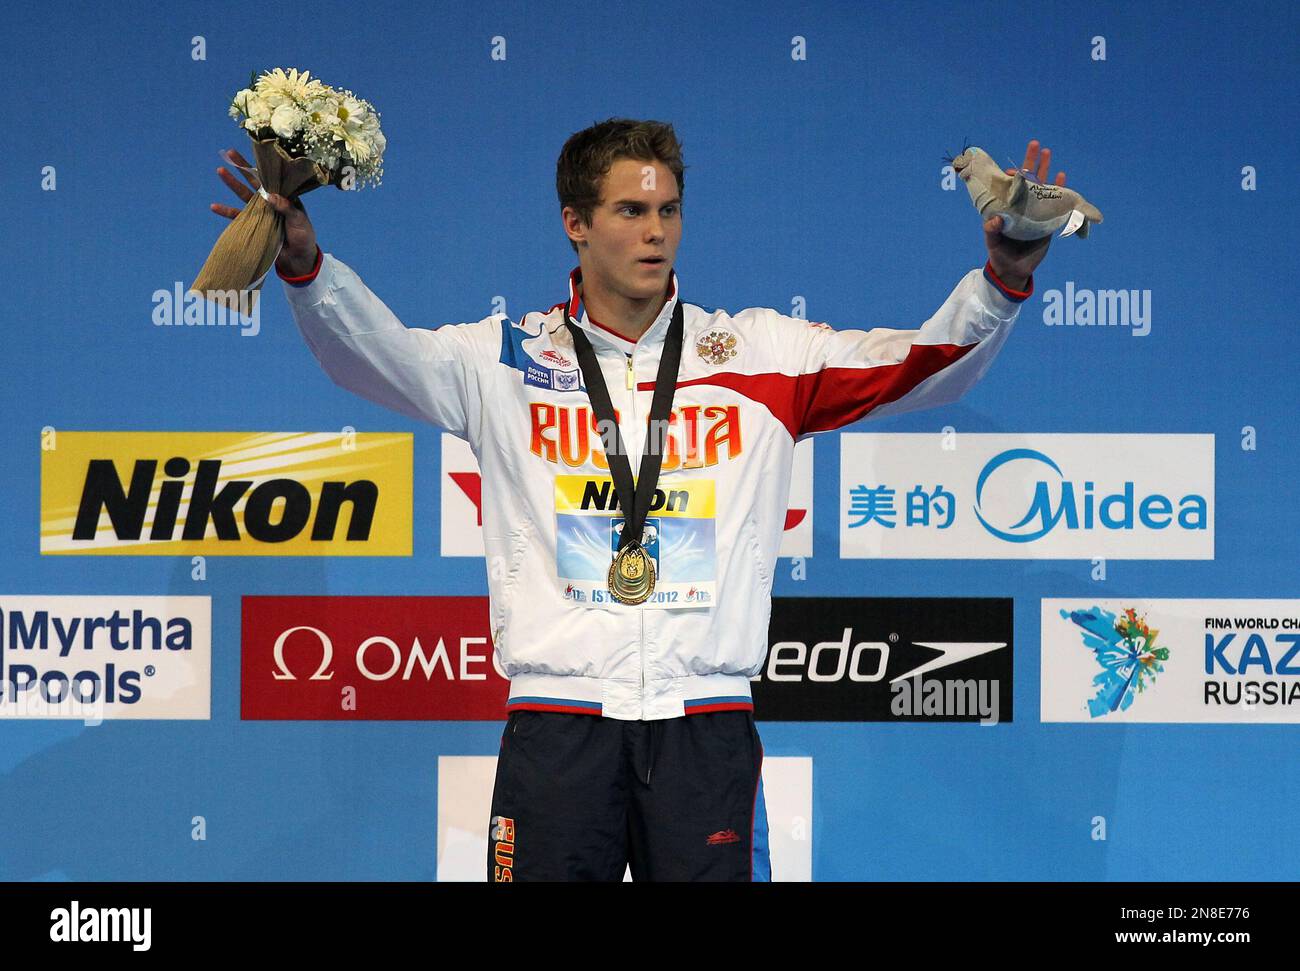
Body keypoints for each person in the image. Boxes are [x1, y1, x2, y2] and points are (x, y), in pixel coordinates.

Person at [211, 119, 1066, 882]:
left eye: (668, 211)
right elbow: (373, 354)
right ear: (575, 225)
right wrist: (305, 268)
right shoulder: (502, 358)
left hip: (704, 722)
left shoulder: (764, 351)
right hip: (559, 719)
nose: (655, 232)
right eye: (629, 212)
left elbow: (919, 365)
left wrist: (1001, 278)